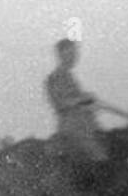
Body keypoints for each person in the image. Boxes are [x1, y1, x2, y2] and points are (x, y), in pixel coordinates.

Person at [45, 39, 123, 167]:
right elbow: (60, 104)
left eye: (75, 53)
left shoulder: (69, 77)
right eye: (70, 53)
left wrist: (89, 102)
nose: (74, 57)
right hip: (73, 129)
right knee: (101, 158)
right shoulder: (55, 77)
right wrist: (82, 99)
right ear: (60, 55)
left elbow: (79, 103)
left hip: (87, 126)